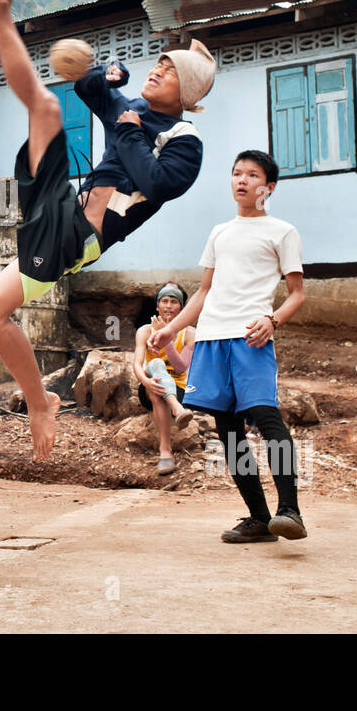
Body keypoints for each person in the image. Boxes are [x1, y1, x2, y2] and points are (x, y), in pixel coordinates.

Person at [0, 0, 214, 460]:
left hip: (79, 237)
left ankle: (41, 403)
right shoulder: (131, 110)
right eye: (158, 63)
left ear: (185, 93)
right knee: (44, 106)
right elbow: (83, 85)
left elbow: (158, 183)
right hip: (64, 206)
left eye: (168, 71)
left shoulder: (184, 142)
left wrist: (126, 129)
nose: (157, 70)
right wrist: (107, 76)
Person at [149, 150, 307, 541]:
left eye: (252, 175)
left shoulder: (282, 231)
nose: (241, 180)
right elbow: (203, 292)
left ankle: (290, 510)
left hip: (250, 339)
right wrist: (173, 330)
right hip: (212, 339)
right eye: (236, 173)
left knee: (268, 420)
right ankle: (259, 519)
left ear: (268, 187)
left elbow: (297, 294)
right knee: (230, 432)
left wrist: (272, 321)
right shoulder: (220, 232)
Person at [132, 282, 195, 474]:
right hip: (151, 385)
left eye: (174, 302)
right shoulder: (144, 331)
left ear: (182, 308)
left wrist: (167, 341)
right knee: (155, 367)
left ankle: (165, 453)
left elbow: (181, 366)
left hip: (179, 389)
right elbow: (136, 363)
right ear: (157, 307)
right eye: (164, 301)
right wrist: (146, 381)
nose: (168, 305)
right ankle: (166, 448)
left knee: (158, 382)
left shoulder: (189, 333)